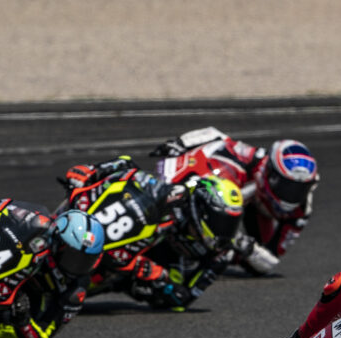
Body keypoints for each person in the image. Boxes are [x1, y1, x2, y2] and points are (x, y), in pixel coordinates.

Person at [59, 157, 243, 311]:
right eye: (222, 222)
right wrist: (92, 170)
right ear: (202, 210)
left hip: (150, 269)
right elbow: (126, 163)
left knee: (163, 290)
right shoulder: (175, 200)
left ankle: (99, 284)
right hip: (125, 237)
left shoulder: (222, 253)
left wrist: (155, 277)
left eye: (231, 223)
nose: (225, 230)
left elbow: (183, 299)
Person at [149, 127, 320, 275]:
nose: (293, 195)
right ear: (272, 174)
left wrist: (242, 245)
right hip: (205, 180)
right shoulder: (240, 162)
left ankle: (217, 249)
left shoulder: (301, 207)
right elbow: (215, 134)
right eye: (287, 186)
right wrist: (180, 143)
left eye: (300, 189)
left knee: (257, 266)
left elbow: (271, 259)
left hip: (254, 204)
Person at [0, 189, 104, 338]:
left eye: (85, 261)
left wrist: (23, 318)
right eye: (72, 256)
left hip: (4, 314)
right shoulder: (39, 237)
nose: (76, 266)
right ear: (58, 243)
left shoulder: (74, 291)